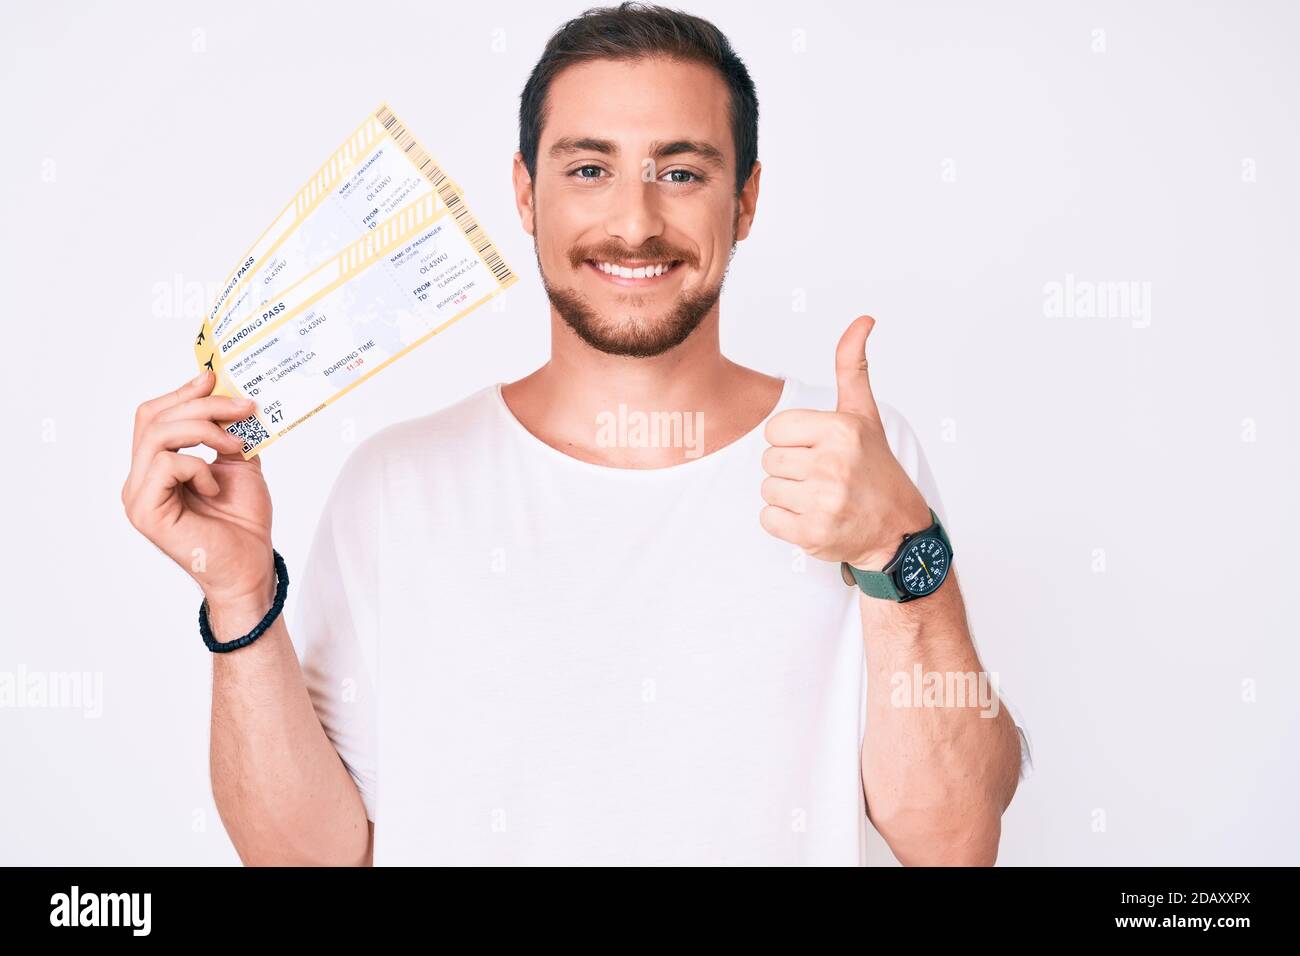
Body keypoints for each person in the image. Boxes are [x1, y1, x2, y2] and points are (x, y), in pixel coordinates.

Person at [122, 1, 1031, 866]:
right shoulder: (395, 484)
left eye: (681, 172)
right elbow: (310, 858)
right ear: (525, 193)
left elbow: (950, 843)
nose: (634, 223)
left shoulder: (854, 467)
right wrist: (239, 593)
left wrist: (900, 547)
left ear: (745, 202)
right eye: (589, 169)